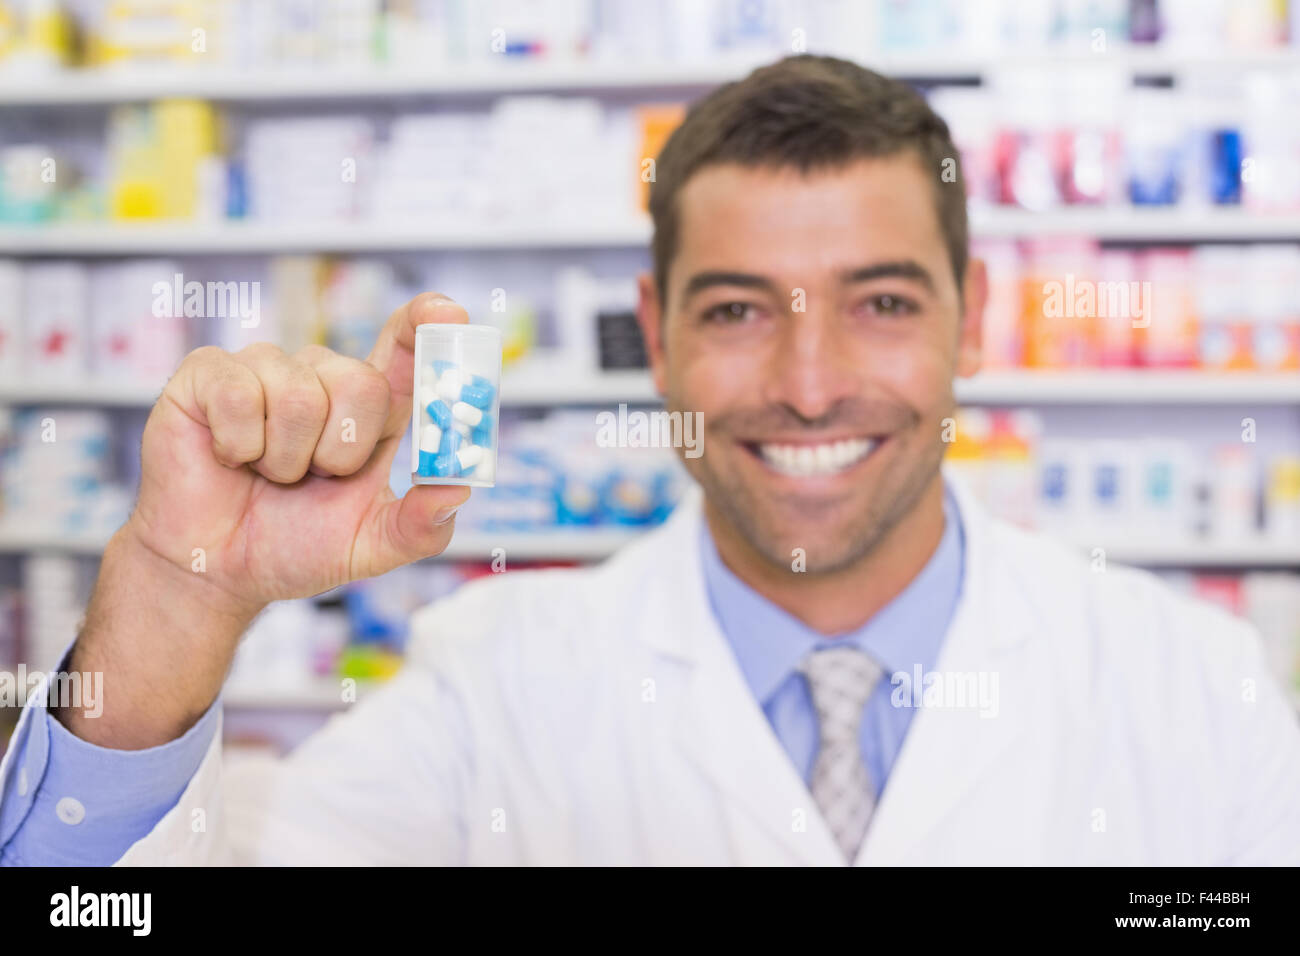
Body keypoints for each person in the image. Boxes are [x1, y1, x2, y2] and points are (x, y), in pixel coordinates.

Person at [1, 55, 1297, 866]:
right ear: (656, 333)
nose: (808, 385)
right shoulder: (487, 683)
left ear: (971, 312)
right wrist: (177, 599)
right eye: (737, 310)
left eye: (883, 303)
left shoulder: (1189, 681)